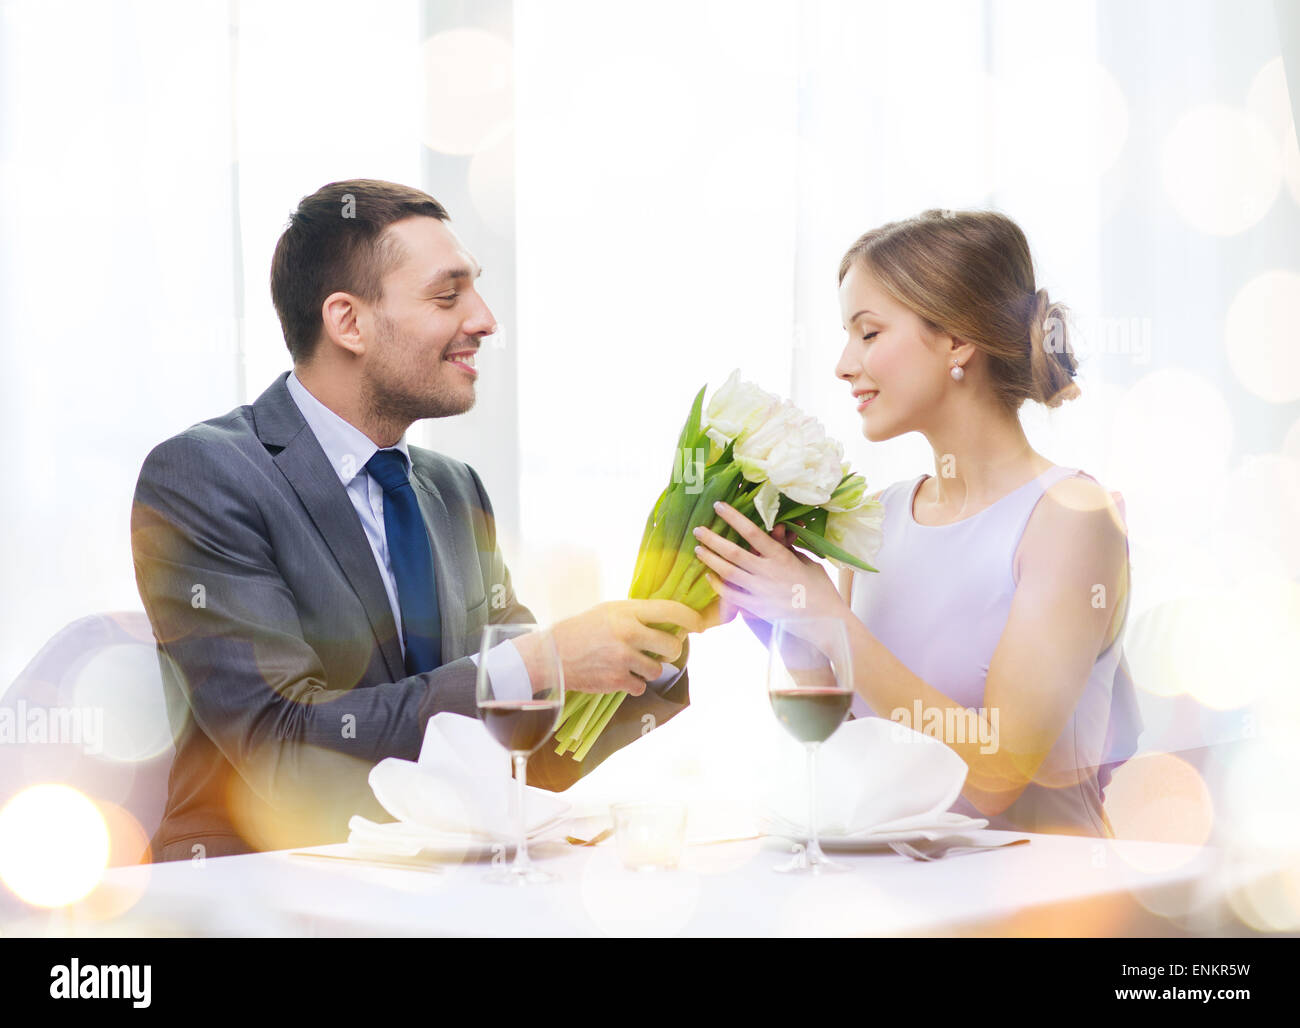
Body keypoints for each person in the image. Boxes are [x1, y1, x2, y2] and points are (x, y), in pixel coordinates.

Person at [131, 179, 701, 861]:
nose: (486, 320)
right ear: (348, 323)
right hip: (261, 885)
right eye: (447, 294)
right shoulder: (205, 476)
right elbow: (282, 749)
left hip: (442, 886)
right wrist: (538, 660)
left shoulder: (455, 492)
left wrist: (654, 647)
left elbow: (528, 760)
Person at [693, 208, 1141, 837]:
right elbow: (860, 754)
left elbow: (995, 778)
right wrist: (786, 617)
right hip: (909, 897)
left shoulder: (1071, 518)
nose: (845, 365)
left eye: (868, 333)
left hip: (1046, 904)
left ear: (958, 340)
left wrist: (831, 622)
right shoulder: (877, 517)